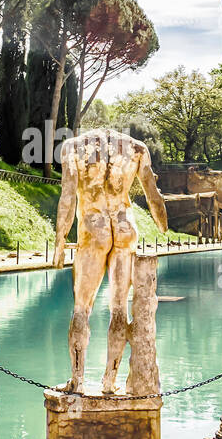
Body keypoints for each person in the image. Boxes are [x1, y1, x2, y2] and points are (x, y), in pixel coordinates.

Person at [54, 130, 169, 394]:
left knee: (82, 308)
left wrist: (60, 240)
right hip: (124, 226)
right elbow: (154, 195)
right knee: (119, 308)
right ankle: (110, 381)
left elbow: (68, 197)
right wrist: (163, 224)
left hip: (94, 228)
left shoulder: (73, 147)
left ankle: (78, 381)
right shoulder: (137, 149)